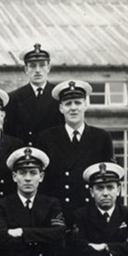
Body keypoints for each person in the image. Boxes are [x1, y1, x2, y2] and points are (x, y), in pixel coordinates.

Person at [35, 80, 115, 223]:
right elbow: (41, 183)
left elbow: (110, 181)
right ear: (61, 108)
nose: (73, 108)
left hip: (90, 215)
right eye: (68, 104)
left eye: (77, 103)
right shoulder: (46, 138)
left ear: (85, 105)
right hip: (56, 216)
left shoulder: (101, 138)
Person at [4, 44, 63, 146]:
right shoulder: (14, 98)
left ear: (48, 68)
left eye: (42, 65)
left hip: (54, 153)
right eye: (32, 66)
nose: (37, 70)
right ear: (26, 69)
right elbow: (10, 135)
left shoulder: (59, 95)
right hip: (26, 155)